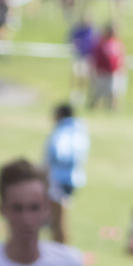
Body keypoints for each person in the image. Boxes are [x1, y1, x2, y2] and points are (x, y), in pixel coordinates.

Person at [41, 103, 87, 245]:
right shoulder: (78, 129)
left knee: (58, 220)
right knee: (57, 219)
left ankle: (60, 250)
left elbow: (61, 152)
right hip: (70, 178)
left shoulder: (64, 131)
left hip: (58, 179)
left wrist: (48, 167)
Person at [88, 23, 125, 111]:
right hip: (102, 72)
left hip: (114, 72)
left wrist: (122, 69)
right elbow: (94, 58)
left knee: (113, 93)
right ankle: (92, 108)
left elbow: (121, 57)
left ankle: (112, 110)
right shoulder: (101, 43)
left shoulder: (117, 43)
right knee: (98, 92)